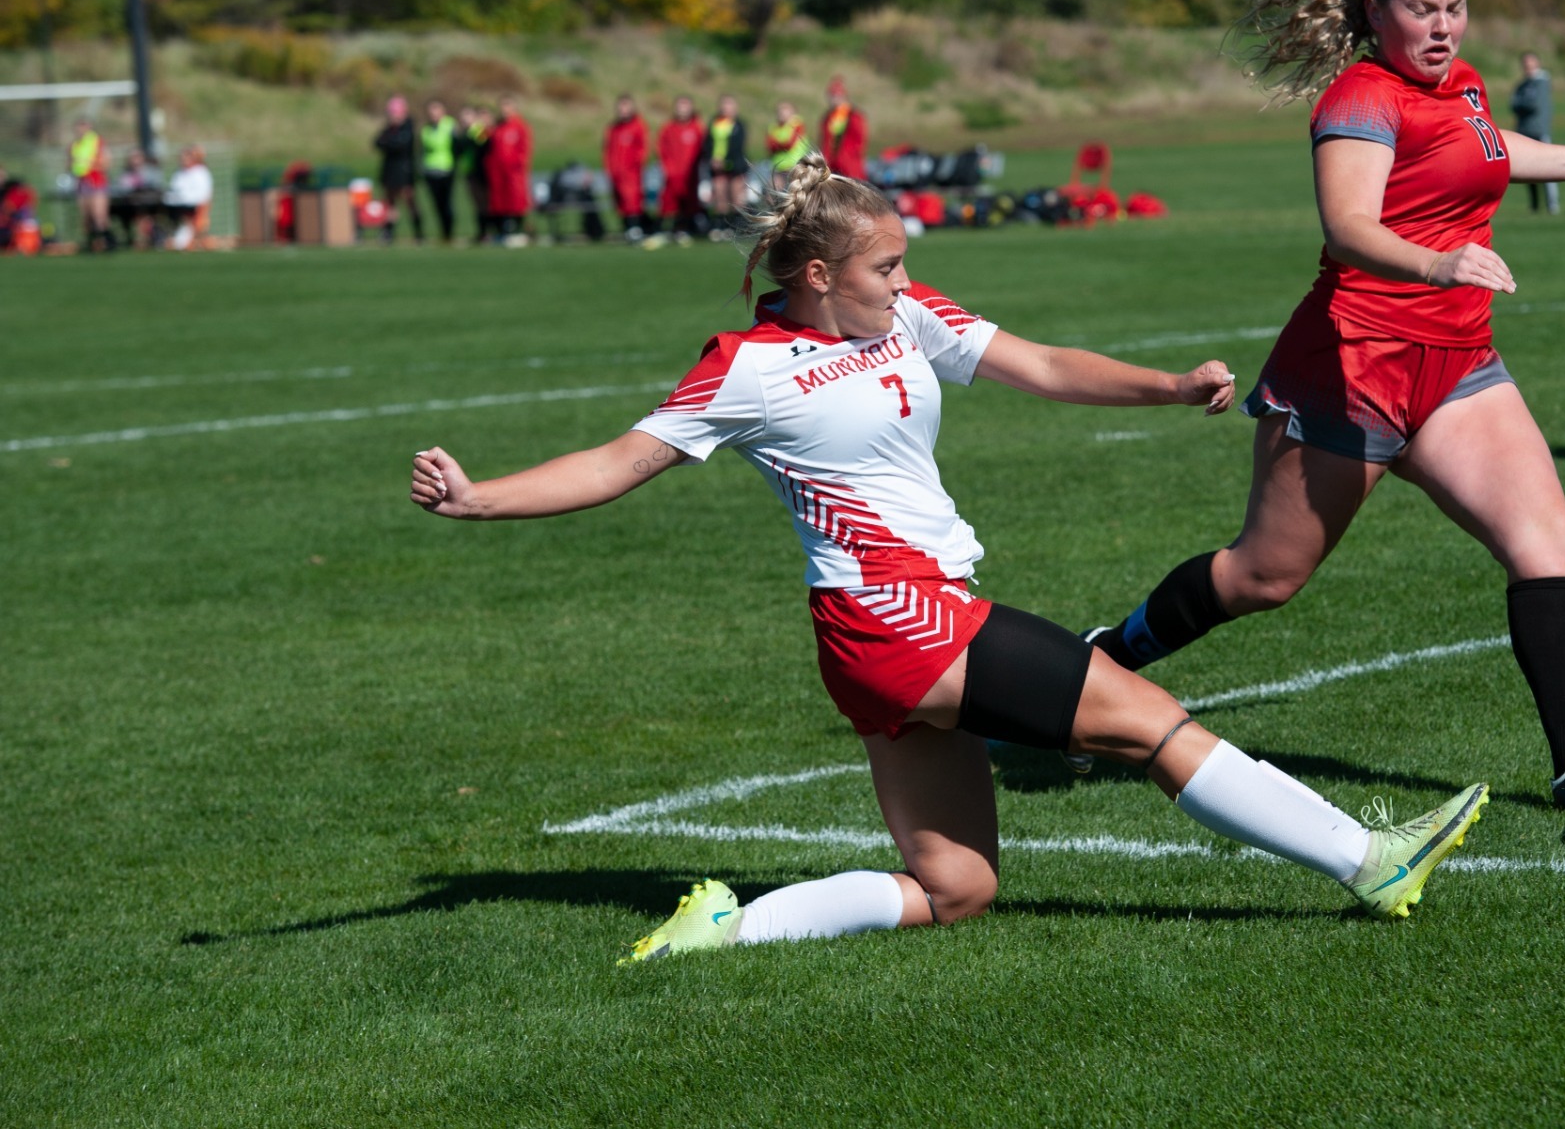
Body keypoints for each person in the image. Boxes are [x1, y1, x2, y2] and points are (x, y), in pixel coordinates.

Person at [408, 152, 1492, 958]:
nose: (903, 276)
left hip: (886, 632)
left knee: (956, 888)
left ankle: (726, 927)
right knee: (1149, 723)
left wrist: (1165, 386)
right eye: (885, 263)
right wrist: (479, 499)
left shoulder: (903, 317)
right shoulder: (744, 367)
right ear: (822, 272)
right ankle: (1367, 859)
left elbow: (1038, 363)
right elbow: (616, 461)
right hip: (897, 619)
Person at [1084, 0, 1565, 814]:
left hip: (1457, 362)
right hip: (1353, 365)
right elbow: (1348, 225)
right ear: (1376, 13)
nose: (1442, 27)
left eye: (1455, 8)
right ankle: (1100, 661)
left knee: (1545, 539)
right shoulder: (1361, 96)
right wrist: (1440, 265)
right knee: (1262, 577)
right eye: (1421, 10)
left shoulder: (1465, 81)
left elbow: (1485, 144)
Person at [1510, 52, 1558, 215]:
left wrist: (1522, 104)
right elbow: (1513, 105)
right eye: (1525, 63)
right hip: (1524, 131)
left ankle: (1552, 205)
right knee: (1527, 171)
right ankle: (1535, 205)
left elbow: (1533, 104)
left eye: (1531, 63)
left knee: (1548, 169)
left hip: (1539, 130)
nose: (1528, 66)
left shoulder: (1542, 82)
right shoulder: (1522, 85)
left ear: (1537, 63)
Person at [373, 95, 422, 243]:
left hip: (404, 170)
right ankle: (388, 232)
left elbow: (399, 145)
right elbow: (378, 142)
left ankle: (419, 232)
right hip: (390, 170)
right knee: (390, 202)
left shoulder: (408, 127)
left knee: (410, 201)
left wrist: (389, 144)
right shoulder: (389, 129)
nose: (392, 116)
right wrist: (390, 143)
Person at [602, 94, 650, 242]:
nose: (623, 110)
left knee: (633, 200)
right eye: (620, 106)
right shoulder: (613, 128)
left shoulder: (638, 126)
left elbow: (643, 149)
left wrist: (635, 165)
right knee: (620, 201)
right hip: (616, 173)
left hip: (631, 172)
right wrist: (609, 168)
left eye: (626, 106)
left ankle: (635, 228)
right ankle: (627, 228)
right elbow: (607, 150)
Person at [485, 97, 533, 244]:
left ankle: (519, 231)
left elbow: (524, 149)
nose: (505, 110)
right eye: (502, 107)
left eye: (508, 106)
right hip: (498, 172)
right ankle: (503, 232)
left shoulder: (520, 126)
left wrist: (518, 166)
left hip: (513, 171)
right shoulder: (497, 127)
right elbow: (482, 141)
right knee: (500, 202)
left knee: (516, 200)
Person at [657, 95, 705, 240]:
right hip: (673, 173)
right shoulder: (668, 128)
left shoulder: (697, 127)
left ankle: (689, 227)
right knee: (670, 202)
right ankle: (669, 228)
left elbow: (703, 149)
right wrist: (667, 167)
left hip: (691, 174)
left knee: (691, 201)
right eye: (679, 106)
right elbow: (661, 149)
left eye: (685, 106)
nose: (682, 110)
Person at [701, 94, 750, 234]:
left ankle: (737, 226)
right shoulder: (714, 123)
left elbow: (738, 146)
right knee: (720, 193)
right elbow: (708, 143)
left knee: (736, 196)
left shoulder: (738, 125)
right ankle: (720, 225)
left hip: (735, 165)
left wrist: (726, 160)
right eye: (724, 105)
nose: (726, 108)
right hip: (717, 166)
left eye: (729, 105)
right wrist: (711, 158)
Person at [420, 100, 458, 243]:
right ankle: (442, 232)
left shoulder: (450, 125)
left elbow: (457, 146)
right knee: (437, 204)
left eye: (436, 111)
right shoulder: (426, 129)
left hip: (446, 169)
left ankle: (449, 232)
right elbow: (422, 151)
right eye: (431, 112)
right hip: (430, 170)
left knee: (447, 203)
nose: (434, 115)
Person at [69, 118, 110, 251]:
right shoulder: (75, 144)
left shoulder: (96, 141)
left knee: (99, 215)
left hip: (96, 181)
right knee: (86, 216)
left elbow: (105, 161)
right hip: (82, 182)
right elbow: (71, 163)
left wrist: (91, 164)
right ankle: (91, 243)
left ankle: (103, 242)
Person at [110, 149, 165, 249]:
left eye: (137, 158)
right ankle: (134, 238)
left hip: (149, 203)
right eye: (132, 158)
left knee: (143, 212)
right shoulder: (125, 173)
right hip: (129, 204)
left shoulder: (151, 171)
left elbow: (156, 187)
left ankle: (146, 237)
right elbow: (119, 188)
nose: (135, 161)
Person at [162, 145, 213, 250]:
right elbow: (174, 189)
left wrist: (182, 197)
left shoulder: (201, 172)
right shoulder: (179, 173)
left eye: (186, 157)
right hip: (179, 207)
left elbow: (201, 196)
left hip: (194, 208)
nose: (183, 160)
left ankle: (198, 240)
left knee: (183, 244)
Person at [819, 76, 868, 181]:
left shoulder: (854, 116)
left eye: (838, 95)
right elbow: (824, 142)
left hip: (849, 166)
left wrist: (844, 156)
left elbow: (859, 141)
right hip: (831, 166)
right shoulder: (827, 118)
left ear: (844, 96)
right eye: (832, 95)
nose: (834, 98)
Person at [455, 105, 491, 243]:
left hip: (480, 171)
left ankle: (487, 231)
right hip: (469, 171)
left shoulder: (478, 131)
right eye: (463, 117)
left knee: (484, 202)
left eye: (468, 116)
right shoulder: (463, 133)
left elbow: (483, 146)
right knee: (476, 203)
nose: (465, 119)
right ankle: (481, 232)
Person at [767, 100, 809, 192]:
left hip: (794, 166)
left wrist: (777, 144)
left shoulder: (797, 124)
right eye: (780, 110)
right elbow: (769, 146)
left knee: (795, 194)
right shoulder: (774, 127)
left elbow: (789, 144)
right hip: (778, 166)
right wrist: (779, 145)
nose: (782, 112)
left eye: (785, 109)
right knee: (772, 193)